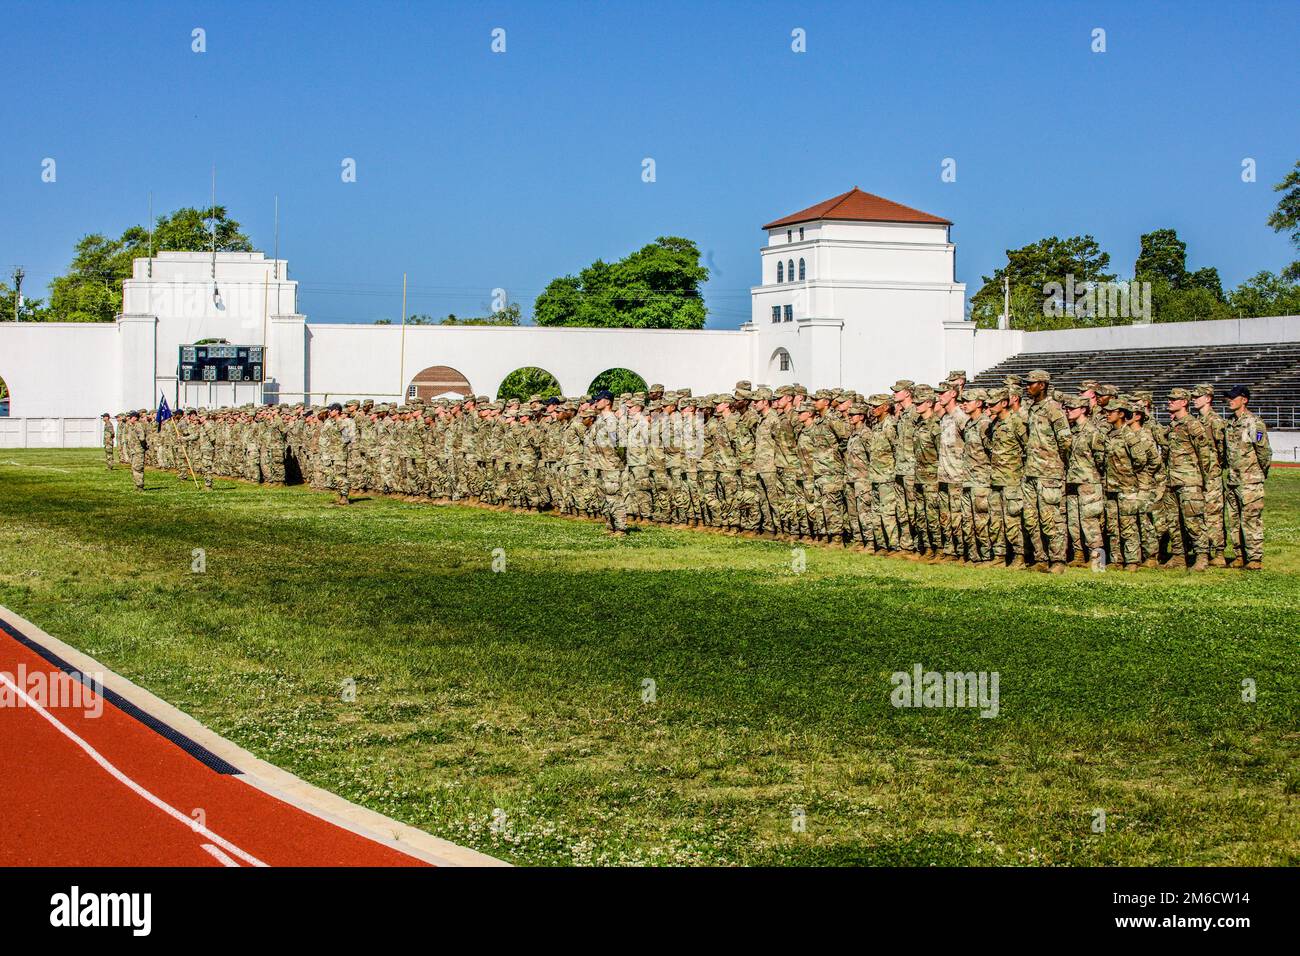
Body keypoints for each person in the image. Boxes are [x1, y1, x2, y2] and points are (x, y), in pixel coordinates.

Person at [1223, 384, 1271, 570]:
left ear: (1244, 400)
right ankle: (1240, 555)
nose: (1230, 400)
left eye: (1233, 397)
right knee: (1234, 521)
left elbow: (1264, 452)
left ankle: (1255, 558)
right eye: (1229, 397)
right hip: (1234, 480)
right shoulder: (1230, 423)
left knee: (1251, 520)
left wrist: (1258, 474)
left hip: (1250, 481)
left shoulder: (1254, 423)